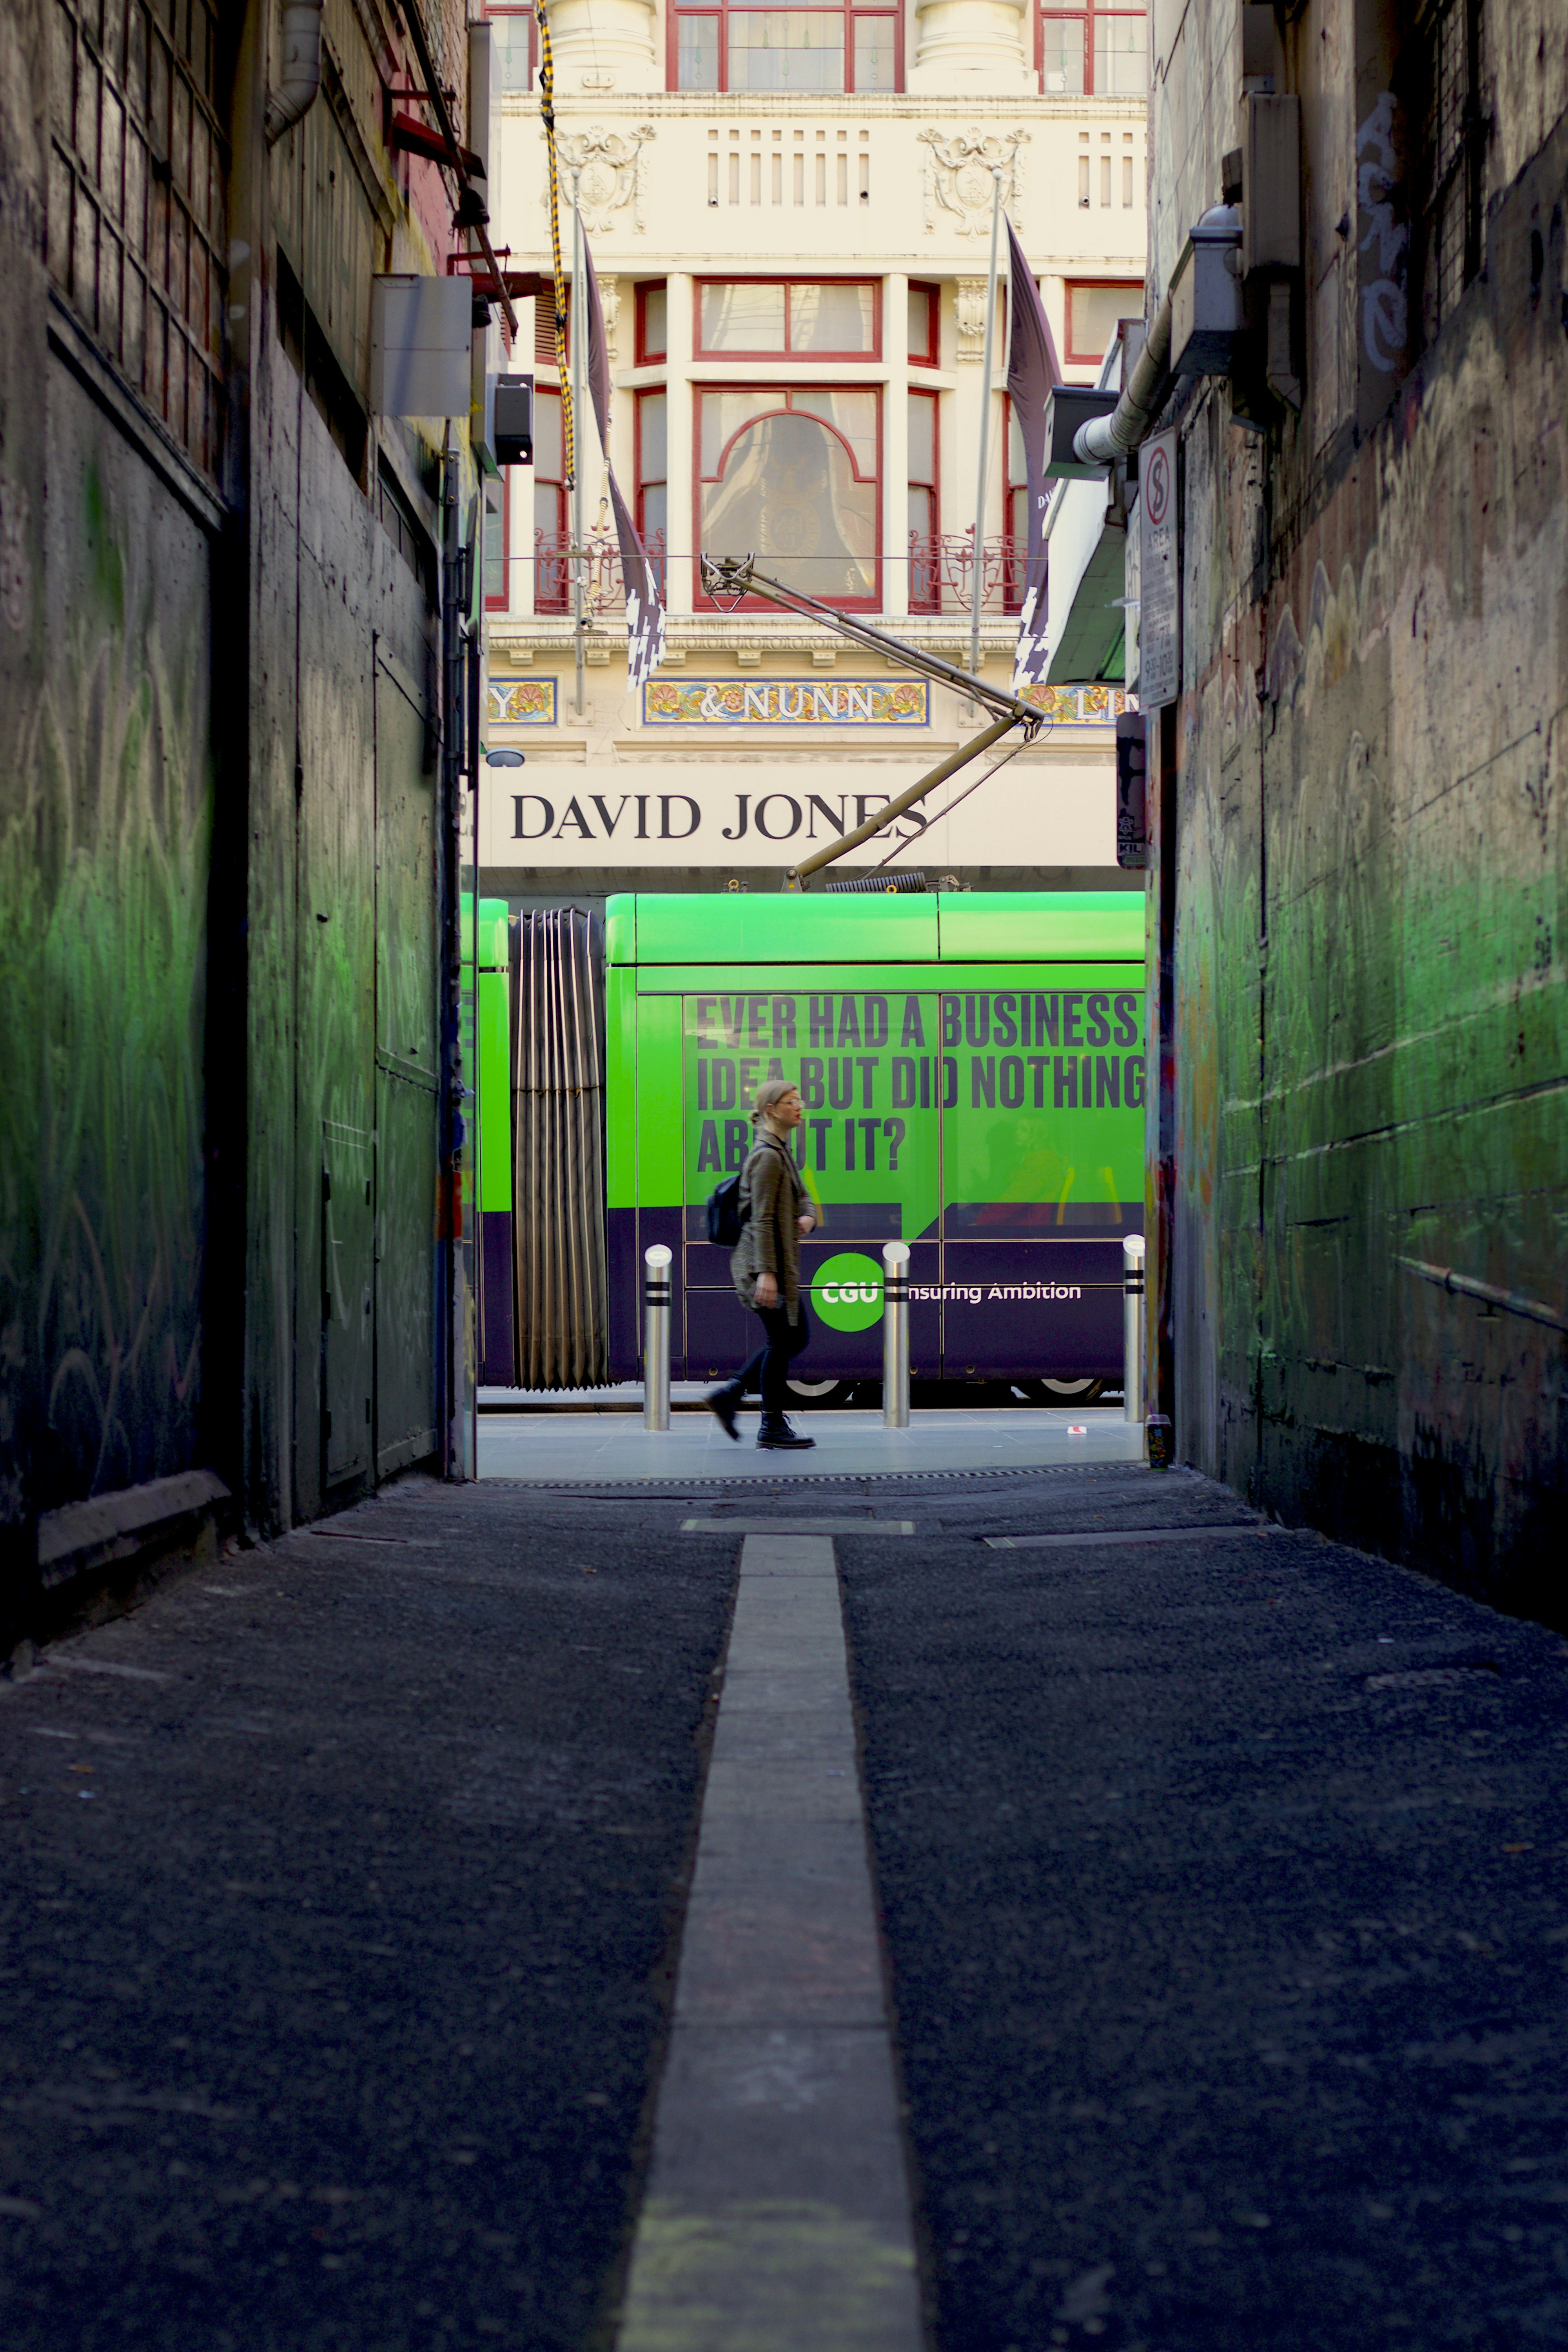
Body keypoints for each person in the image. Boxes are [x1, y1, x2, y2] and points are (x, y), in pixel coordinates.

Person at [707, 1078, 818, 1450]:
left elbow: (804, 1196)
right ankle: (766, 1421)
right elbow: (762, 1220)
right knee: (786, 1338)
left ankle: (735, 1394)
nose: (800, 1105)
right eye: (791, 1101)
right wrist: (767, 1274)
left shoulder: (780, 1150)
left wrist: (808, 1216)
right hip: (762, 1266)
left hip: (775, 1264)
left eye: (798, 1099)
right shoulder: (768, 1156)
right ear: (772, 1110)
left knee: (789, 1338)